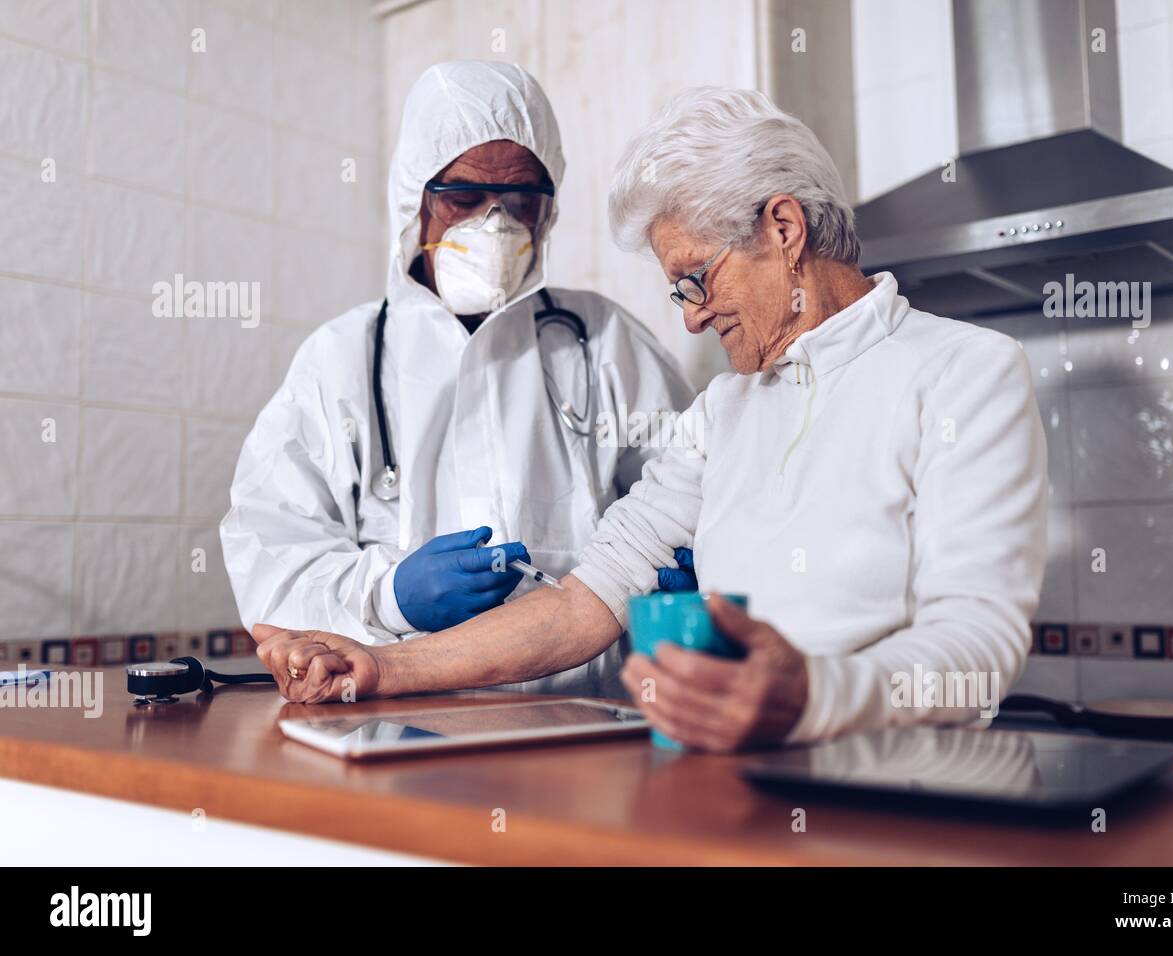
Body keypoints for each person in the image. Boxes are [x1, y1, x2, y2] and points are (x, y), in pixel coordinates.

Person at [253, 87, 1048, 751]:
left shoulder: (964, 373)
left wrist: (811, 695)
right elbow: (582, 601)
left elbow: (979, 646)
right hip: (729, 789)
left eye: (695, 280)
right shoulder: (723, 411)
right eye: (680, 292)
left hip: (904, 800)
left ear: (783, 228)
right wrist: (381, 666)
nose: (693, 321)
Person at [221, 61, 695, 697]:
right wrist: (390, 598)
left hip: (583, 726)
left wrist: (698, 571)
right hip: (391, 722)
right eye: (464, 198)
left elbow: (694, 496)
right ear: (413, 199)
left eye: (522, 199)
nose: (495, 224)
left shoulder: (606, 344)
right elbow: (269, 559)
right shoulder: (338, 362)